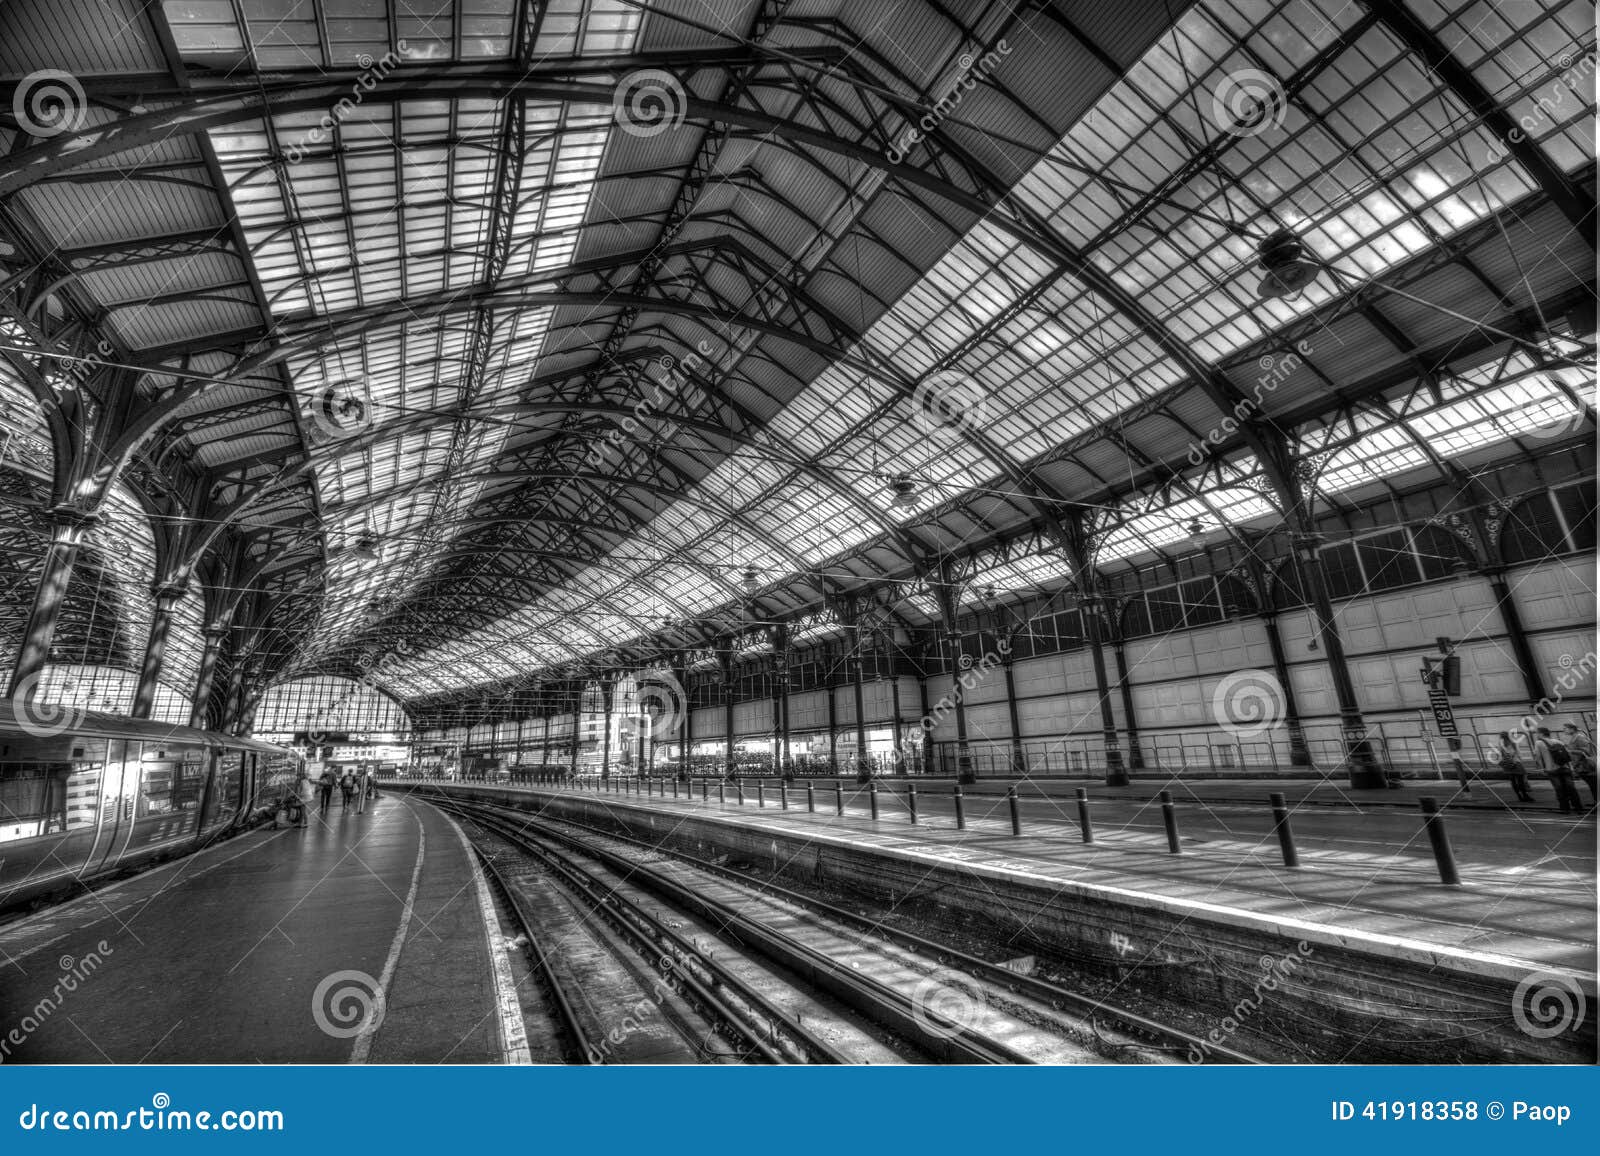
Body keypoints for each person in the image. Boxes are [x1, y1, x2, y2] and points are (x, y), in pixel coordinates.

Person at [1532, 727, 1584, 814]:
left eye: (1537, 733)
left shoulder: (1538, 743)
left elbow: (1538, 757)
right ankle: (1578, 807)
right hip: (1565, 768)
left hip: (1551, 769)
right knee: (1571, 788)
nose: (1536, 735)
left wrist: (1541, 769)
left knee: (1559, 789)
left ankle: (1565, 808)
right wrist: (1571, 767)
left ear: (1541, 734)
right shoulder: (1558, 741)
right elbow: (1567, 755)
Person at [1495, 731, 1535, 803]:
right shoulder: (1512, 743)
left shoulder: (1500, 744)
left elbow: (1498, 756)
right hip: (1516, 763)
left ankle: (1519, 796)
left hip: (1507, 765)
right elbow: (1515, 753)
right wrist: (1520, 760)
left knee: (1513, 781)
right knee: (1520, 781)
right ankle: (1525, 795)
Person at [1561, 724, 1597, 803]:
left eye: (1565, 728)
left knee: (1593, 784)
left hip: (1585, 766)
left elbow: (1587, 751)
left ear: (1572, 729)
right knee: (1592, 785)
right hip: (1579, 765)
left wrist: (1570, 751)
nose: (1564, 730)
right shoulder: (1574, 737)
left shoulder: (1579, 737)